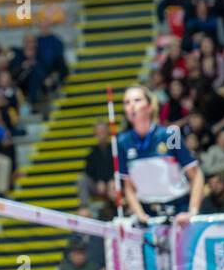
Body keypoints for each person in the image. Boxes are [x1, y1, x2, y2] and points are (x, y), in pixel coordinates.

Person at [117, 86, 204, 222]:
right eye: (127, 102)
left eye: (137, 100)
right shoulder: (122, 142)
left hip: (179, 209)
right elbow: (128, 186)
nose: (132, 106)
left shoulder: (170, 134)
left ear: (150, 106)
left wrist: (192, 212)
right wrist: (139, 213)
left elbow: (196, 175)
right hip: (148, 212)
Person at [78, 121, 115, 207]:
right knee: (82, 179)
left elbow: (120, 167)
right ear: (95, 133)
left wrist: (112, 179)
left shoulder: (115, 149)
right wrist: (99, 180)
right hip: (97, 185)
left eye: (103, 131)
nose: (101, 134)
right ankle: (84, 207)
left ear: (108, 132)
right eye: (98, 132)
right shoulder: (91, 153)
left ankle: (125, 207)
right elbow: (89, 171)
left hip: (114, 183)